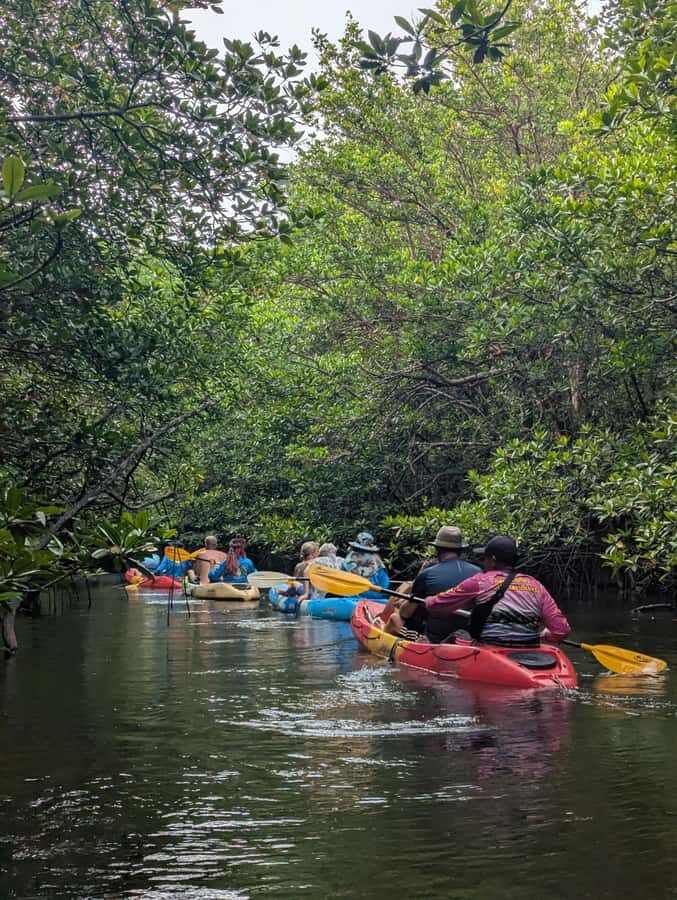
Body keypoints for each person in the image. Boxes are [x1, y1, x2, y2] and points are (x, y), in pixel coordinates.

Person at [415, 535, 571, 646]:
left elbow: (436, 605)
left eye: (485, 558)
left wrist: (427, 600)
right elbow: (561, 630)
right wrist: (545, 636)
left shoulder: (480, 581)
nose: (483, 562)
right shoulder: (536, 585)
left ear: (493, 560)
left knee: (458, 636)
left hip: (492, 648)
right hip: (529, 648)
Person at [381, 526, 481, 641]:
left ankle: (381, 643)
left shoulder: (427, 574)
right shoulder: (478, 572)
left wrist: (399, 607)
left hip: (432, 639)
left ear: (438, 549)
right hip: (466, 636)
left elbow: (406, 614)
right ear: (460, 550)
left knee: (395, 618)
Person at [343, 532, 389, 599]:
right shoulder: (379, 563)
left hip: (358, 600)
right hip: (373, 601)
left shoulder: (349, 559)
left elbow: (384, 588)